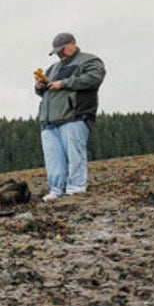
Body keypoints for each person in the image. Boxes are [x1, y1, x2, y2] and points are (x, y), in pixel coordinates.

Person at [35, 32, 105, 201]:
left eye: (62, 49)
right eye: (56, 51)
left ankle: (76, 188)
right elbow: (45, 91)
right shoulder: (53, 68)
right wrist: (39, 87)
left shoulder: (89, 60)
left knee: (75, 154)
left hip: (74, 116)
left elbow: (94, 78)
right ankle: (56, 190)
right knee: (53, 158)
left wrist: (64, 83)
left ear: (73, 43)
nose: (59, 54)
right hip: (49, 120)